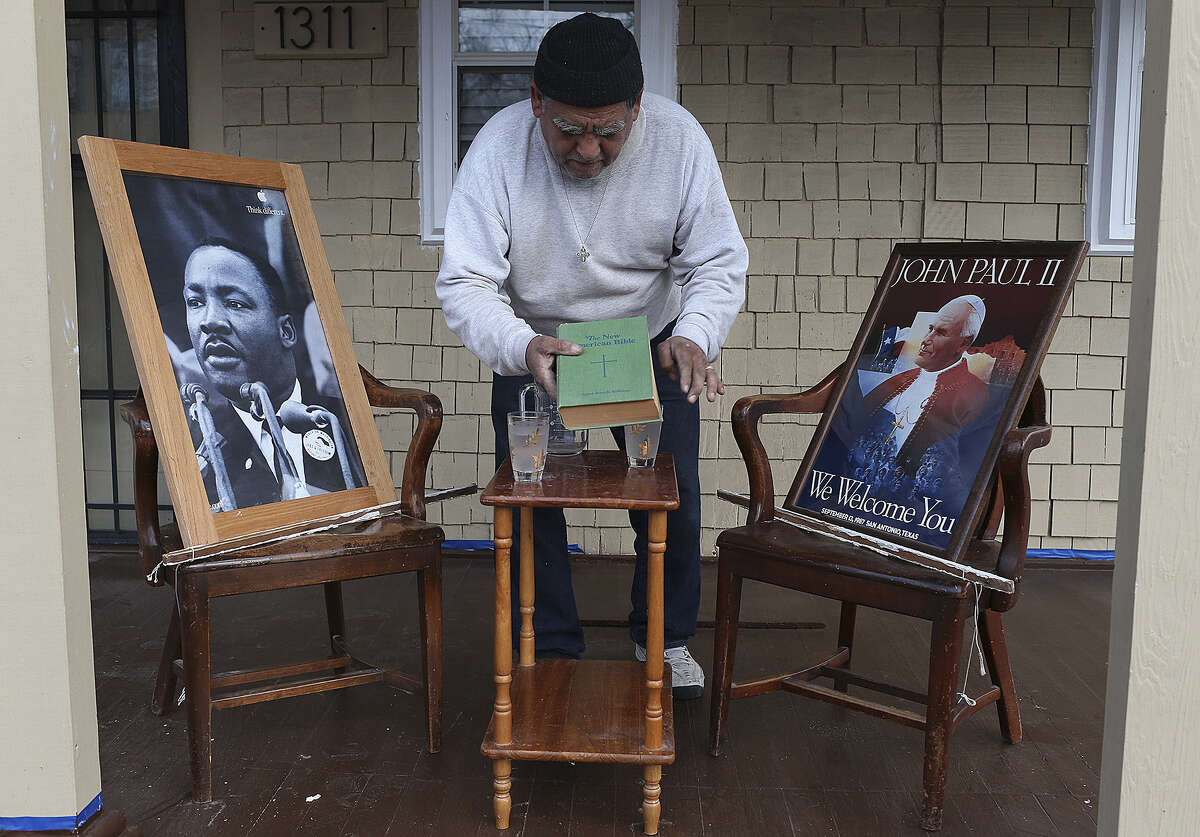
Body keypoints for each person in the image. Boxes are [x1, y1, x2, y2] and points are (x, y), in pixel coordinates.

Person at [435, 13, 747, 699]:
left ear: (637, 108)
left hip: (655, 342)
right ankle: (548, 648)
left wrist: (696, 333)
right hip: (539, 347)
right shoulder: (497, 148)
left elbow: (717, 261)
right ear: (534, 100)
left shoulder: (679, 140)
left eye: (608, 131)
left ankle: (664, 640)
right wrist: (518, 343)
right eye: (569, 129)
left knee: (671, 499)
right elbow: (465, 280)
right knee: (530, 501)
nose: (588, 149)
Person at [180, 239, 363, 511]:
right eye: (195, 302)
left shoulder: (342, 420)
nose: (210, 321)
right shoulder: (196, 449)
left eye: (235, 303)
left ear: (286, 331)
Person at [861, 295, 990, 473]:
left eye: (941, 332)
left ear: (964, 342)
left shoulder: (975, 394)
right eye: (930, 329)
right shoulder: (905, 378)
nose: (926, 339)